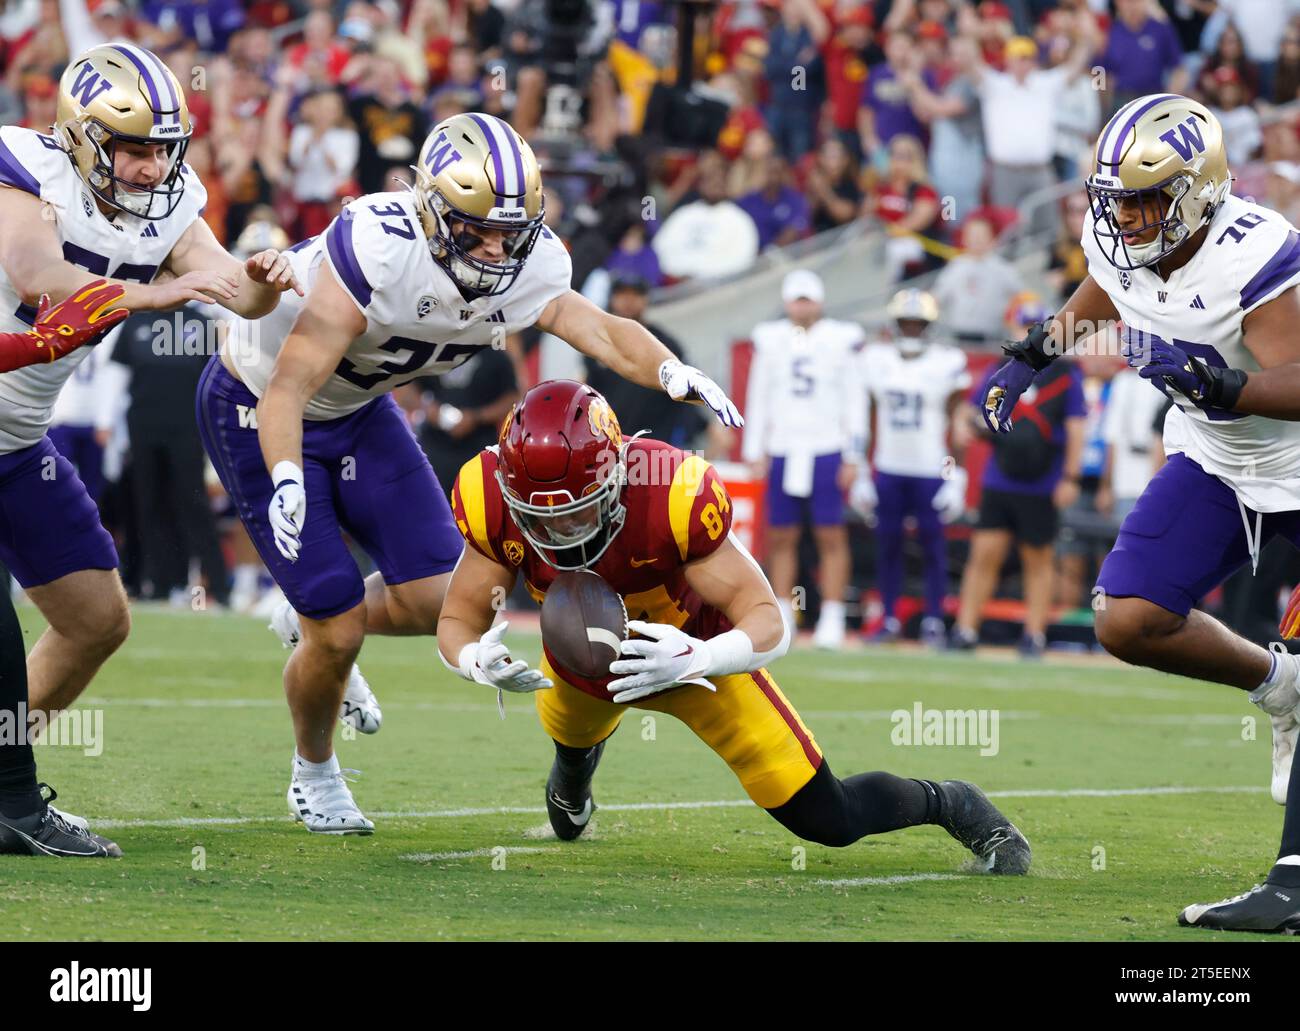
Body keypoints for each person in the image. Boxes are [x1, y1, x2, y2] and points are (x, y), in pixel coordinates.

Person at [199, 112, 742, 835]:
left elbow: (604, 330)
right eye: (474, 229)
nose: (494, 249)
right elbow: (288, 388)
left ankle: (308, 622)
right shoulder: (377, 248)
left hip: (361, 408)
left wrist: (672, 369)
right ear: (430, 209)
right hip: (260, 403)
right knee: (337, 627)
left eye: (507, 232)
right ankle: (316, 770)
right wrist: (288, 478)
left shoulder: (530, 260)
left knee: (442, 598)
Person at [437, 379, 1031, 874]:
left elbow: (771, 619)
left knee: (829, 820)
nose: (560, 532)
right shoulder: (489, 495)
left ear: (616, 475)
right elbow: (457, 618)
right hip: (581, 666)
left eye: (577, 511)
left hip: (699, 659)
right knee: (569, 777)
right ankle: (575, 766)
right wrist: (472, 661)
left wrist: (699, 658)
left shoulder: (672, 493)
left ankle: (950, 801)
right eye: (541, 514)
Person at [0, 43, 299, 857]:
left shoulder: (168, 203)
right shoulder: (24, 163)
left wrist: (266, 276)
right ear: (80, 136)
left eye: (164, 148)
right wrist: (157, 291)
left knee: (95, 619)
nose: (151, 166)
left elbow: (233, 288)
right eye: (133, 147)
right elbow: (41, 280)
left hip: (18, 439)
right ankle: (12, 802)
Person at [979, 94, 1300, 807]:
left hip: (1296, 462)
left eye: (1142, 201)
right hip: (1219, 458)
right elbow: (1108, 285)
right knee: (1127, 618)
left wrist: (1225, 386)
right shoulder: (1123, 234)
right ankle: (1282, 685)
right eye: (1114, 200)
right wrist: (1034, 356)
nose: (1122, 218)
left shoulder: (1250, 250)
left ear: (1198, 190)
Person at [953, 296, 1085, 657]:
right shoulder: (1003, 368)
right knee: (984, 554)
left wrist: (1070, 477)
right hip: (1002, 476)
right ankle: (966, 629)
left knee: (1038, 559)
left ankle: (1034, 634)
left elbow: (1076, 428)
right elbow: (970, 411)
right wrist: (968, 426)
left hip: (1042, 479)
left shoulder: (1065, 375)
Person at [742, 269, 864, 650]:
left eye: (807, 299)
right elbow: (758, 394)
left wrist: (854, 452)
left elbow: (855, 398)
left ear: (820, 301)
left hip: (826, 445)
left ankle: (831, 613)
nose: (802, 306)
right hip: (783, 446)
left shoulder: (841, 340)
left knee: (830, 534)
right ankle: (781, 614)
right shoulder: (771, 340)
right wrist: (754, 448)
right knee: (782, 535)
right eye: (796, 299)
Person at [858, 289, 969, 647]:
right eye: (905, 323)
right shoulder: (875, 360)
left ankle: (934, 619)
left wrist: (956, 478)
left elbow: (958, 424)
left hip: (931, 468)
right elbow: (866, 420)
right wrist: (862, 471)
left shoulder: (947, 362)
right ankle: (889, 617)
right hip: (889, 466)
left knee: (934, 548)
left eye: (917, 324)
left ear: (929, 327)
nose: (911, 329)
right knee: (887, 544)